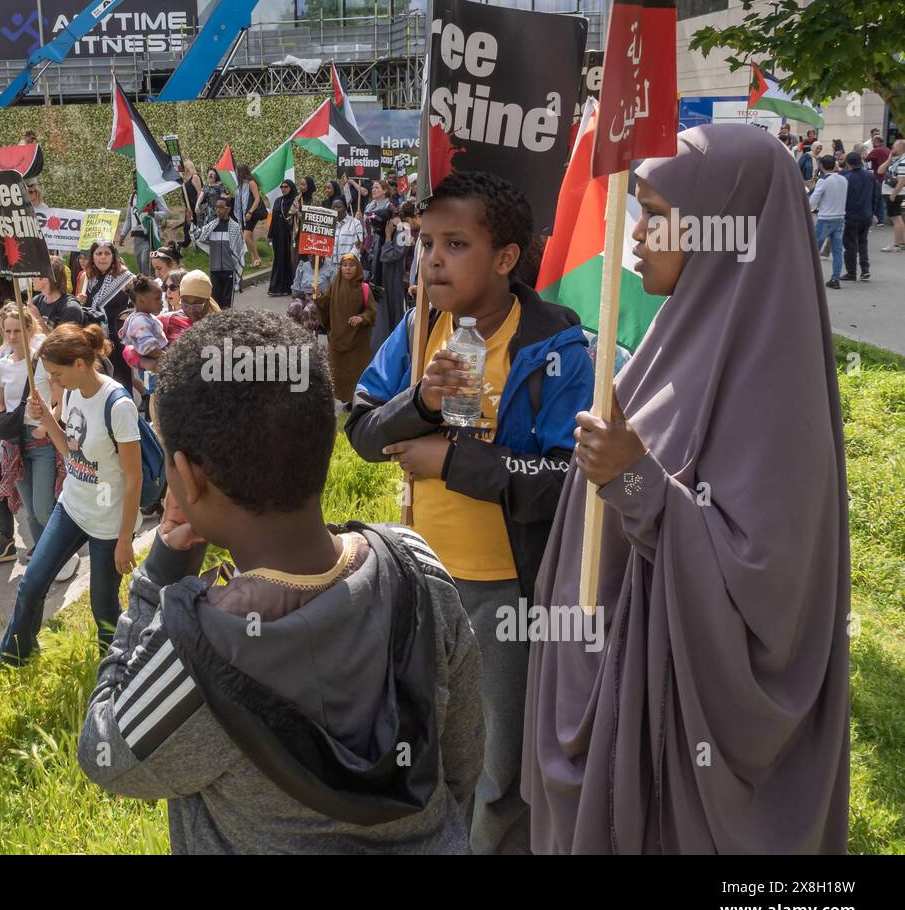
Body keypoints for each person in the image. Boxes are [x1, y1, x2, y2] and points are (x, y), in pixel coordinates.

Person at [524, 123, 850, 854]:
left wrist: (640, 484)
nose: (636, 235)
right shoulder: (677, 341)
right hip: (611, 705)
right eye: (638, 208)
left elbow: (769, 600)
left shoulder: (774, 389)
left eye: (660, 215)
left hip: (683, 771)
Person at [77, 310, 485, 854]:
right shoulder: (416, 566)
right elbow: (461, 763)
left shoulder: (200, 650)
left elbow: (105, 751)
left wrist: (159, 584)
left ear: (189, 477)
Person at [345, 170, 595, 855]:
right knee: (422, 737)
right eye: (427, 242)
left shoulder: (557, 348)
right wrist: (422, 401)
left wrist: (453, 462)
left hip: (508, 594)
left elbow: (565, 480)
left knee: (500, 760)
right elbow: (363, 431)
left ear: (507, 258)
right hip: (420, 583)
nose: (431, 259)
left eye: (455, 244)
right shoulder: (422, 324)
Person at [0, 322, 143, 668]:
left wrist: (125, 539)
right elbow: (71, 453)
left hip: (108, 520)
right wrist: (45, 420)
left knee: (104, 608)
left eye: (57, 373)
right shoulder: (70, 393)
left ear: (80, 364)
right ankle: (16, 652)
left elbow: (133, 476)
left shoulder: (118, 405)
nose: (54, 381)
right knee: (31, 584)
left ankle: (115, 672)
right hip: (72, 505)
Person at [0, 304, 72, 582]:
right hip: (13, 444)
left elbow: (58, 400)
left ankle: (65, 552)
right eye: (8, 331)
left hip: (40, 442)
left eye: (18, 330)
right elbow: (0, 404)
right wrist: (1, 424)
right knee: (30, 509)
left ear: (30, 329)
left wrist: (46, 425)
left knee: (44, 507)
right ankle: (45, 556)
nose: (13, 336)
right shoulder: (3, 365)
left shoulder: (41, 362)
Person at [313, 253, 375, 410]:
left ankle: (355, 400)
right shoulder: (335, 285)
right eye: (344, 265)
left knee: (355, 370)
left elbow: (372, 310)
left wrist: (361, 318)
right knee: (337, 370)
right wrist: (318, 295)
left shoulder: (364, 288)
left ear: (358, 268)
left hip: (357, 339)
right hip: (337, 337)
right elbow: (325, 303)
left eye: (351, 265)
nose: (347, 269)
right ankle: (342, 397)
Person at [82, 239, 135, 391]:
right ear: (93, 257)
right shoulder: (89, 279)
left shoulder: (126, 278)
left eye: (107, 253)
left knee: (121, 384)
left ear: (113, 256)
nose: (103, 257)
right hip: (96, 341)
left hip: (117, 341)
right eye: (98, 253)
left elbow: (135, 306)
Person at [373, 201, 418, 352]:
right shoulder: (380, 231)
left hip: (395, 279)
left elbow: (393, 255)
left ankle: (396, 349)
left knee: (395, 314)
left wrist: (387, 238)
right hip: (380, 280)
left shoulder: (404, 231)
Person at [193, 197, 244, 310]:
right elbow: (198, 235)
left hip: (229, 269)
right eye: (217, 207)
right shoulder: (211, 226)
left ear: (228, 209)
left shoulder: (235, 228)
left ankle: (227, 323)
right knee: (215, 300)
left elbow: (239, 250)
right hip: (215, 268)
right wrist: (189, 224)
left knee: (227, 301)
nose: (218, 210)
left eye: (221, 207)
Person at [809, 154, 847, 288]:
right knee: (837, 250)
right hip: (840, 217)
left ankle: (810, 277)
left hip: (825, 218)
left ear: (821, 166)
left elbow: (813, 200)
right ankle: (835, 278)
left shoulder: (823, 181)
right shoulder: (843, 179)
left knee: (813, 249)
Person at [841, 151, 875, 283]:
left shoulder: (847, 178)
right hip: (866, 213)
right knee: (863, 242)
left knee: (850, 244)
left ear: (848, 163)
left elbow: (843, 198)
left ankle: (851, 272)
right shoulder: (870, 176)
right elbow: (874, 196)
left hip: (851, 214)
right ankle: (865, 270)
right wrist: (873, 213)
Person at [266, 180, 298, 296]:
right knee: (279, 260)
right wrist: (270, 236)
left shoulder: (297, 201)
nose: (283, 189)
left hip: (291, 236)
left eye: (286, 187)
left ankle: (291, 287)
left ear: (291, 188)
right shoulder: (278, 201)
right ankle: (277, 288)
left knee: (291, 260)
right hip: (279, 236)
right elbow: (274, 220)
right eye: (282, 187)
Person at [34, 260, 85, 329]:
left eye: (35, 274)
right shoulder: (36, 300)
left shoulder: (71, 309)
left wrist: (37, 318)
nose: (32, 278)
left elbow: (61, 339)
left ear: (45, 279)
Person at [234, 163, 265, 267]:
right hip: (243, 214)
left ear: (241, 172)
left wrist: (250, 212)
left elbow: (257, 198)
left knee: (246, 237)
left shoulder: (251, 183)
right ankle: (254, 261)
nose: (236, 173)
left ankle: (257, 257)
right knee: (250, 236)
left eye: (237, 171)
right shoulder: (241, 185)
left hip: (250, 213)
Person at [879, 139, 905, 252]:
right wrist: (889, 159)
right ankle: (902, 242)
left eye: (895, 147)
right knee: (897, 218)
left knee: (896, 218)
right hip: (890, 192)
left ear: (901, 148)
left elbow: (902, 180)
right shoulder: (896, 160)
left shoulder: (903, 161)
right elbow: (880, 171)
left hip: (894, 193)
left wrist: (894, 194)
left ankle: (896, 244)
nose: (892, 149)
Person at [865, 135, 890, 226]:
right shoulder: (887, 149)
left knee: (875, 198)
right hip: (886, 176)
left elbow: (866, 158)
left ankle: (877, 219)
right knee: (882, 198)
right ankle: (881, 219)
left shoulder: (876, 150)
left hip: (877, 176)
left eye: (873, 142)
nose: (872, 143)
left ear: (876, 141)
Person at [180, 159, 203, 247]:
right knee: (187, 226)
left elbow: (199, 192)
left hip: (195, 205)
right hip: (189, 207)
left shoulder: (195, 177)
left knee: (196, 225)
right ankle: (187, 244)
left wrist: (198, 205)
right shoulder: (187, 179)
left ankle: (197, 245)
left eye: (184, 167)